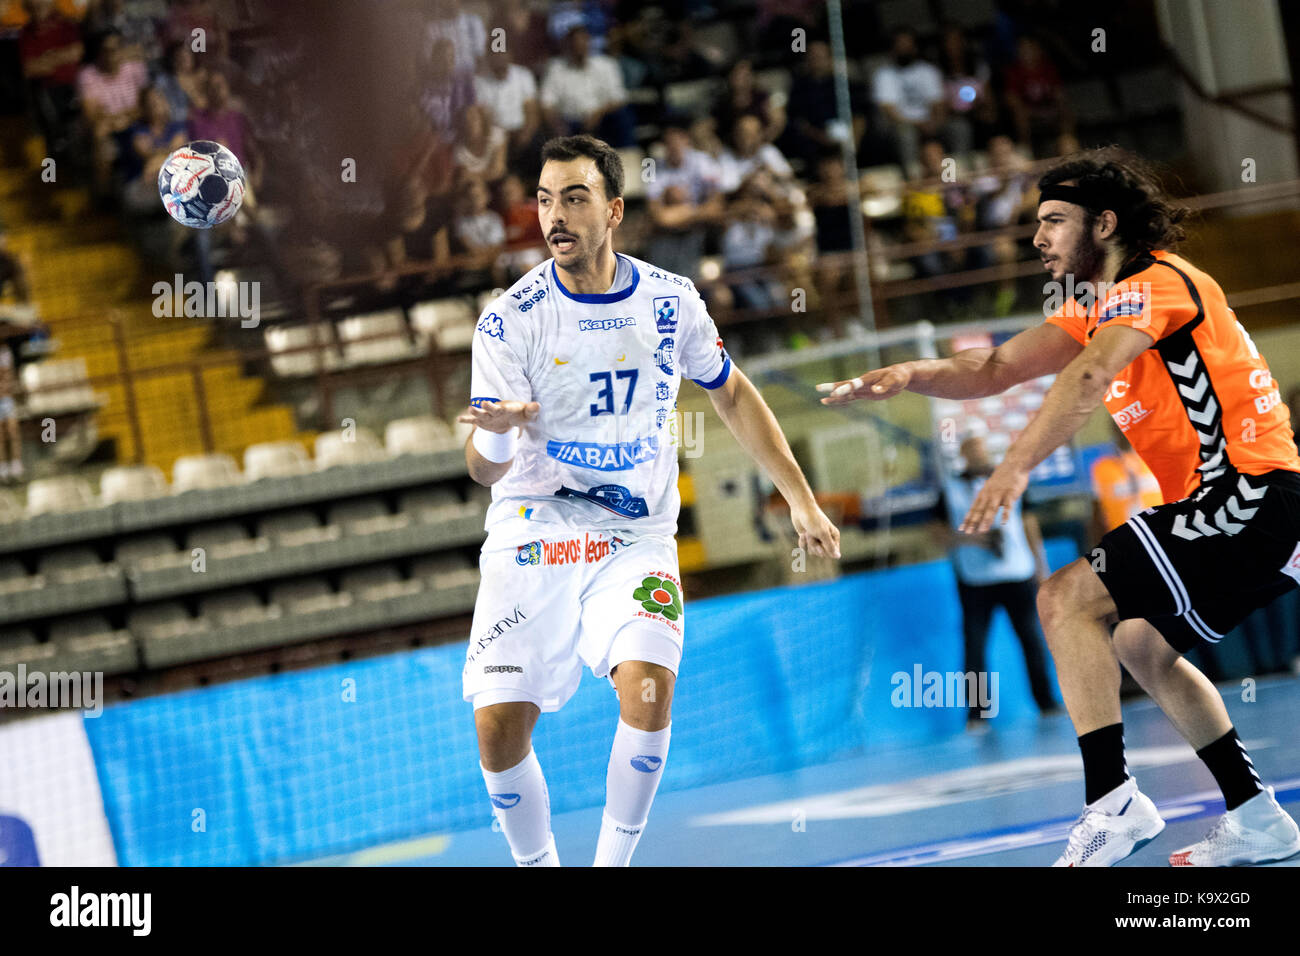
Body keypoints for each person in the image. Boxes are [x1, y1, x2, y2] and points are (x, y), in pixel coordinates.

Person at [820, 148, 1300, 867]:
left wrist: (1013, 470)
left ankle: (1114, 803)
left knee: (1065, 598)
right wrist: (911, 374)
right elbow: (993, 368)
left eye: (1054, 221)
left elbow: (1089, 376)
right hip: (1244, 508)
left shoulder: (1154, 283)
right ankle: (1257, 816)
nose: (1038, 238)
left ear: (1104, 224)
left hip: (1248, 495)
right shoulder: (1095, 308)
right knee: (1139, 645)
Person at [455, 134, 840, 867]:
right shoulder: (509, 320)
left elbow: (730, 391)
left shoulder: (671, 300)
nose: (555, 215)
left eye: (574, 197)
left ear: (614, 210)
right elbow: (483, 469)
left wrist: (798, 497)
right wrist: (500, 435)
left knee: (650, 688)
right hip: (535, 528)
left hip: (634, 534)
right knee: (498, 729)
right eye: (543, 200)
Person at [939, 434, 1057, 729]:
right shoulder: (950, 489)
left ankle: (1046, 703)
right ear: (963, 454)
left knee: (1032, 639)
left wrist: (1041, 569)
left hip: (1017, 572)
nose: (976, 453)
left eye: (979, 447)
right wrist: (971, 540)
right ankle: (977, 715)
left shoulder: (1010, 480)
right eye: (970, 449)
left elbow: (1029, 524)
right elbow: (934, 532)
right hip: (975, 579)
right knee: (975, 646)